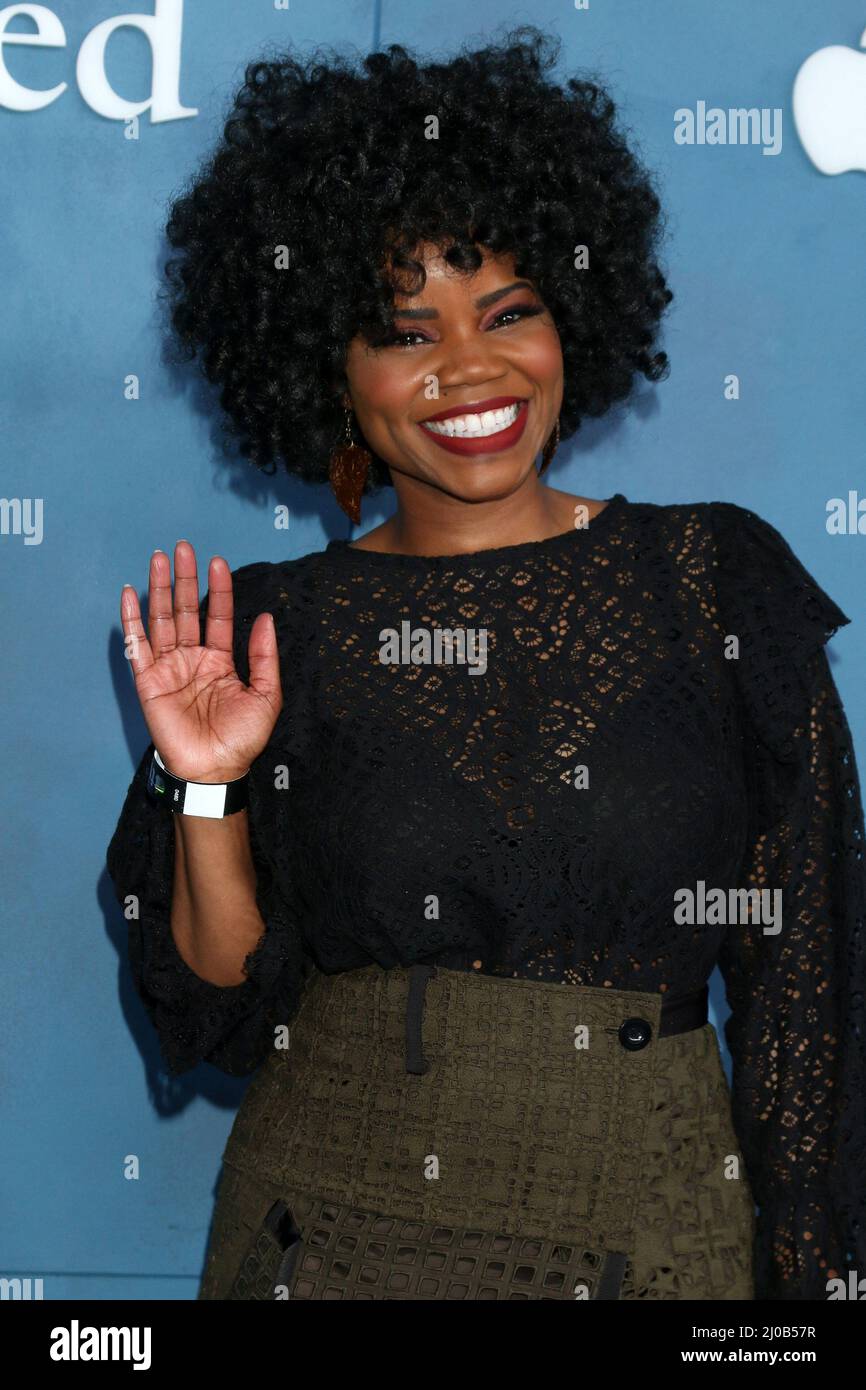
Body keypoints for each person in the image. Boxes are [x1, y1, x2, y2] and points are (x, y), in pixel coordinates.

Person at [105, 27, 865, 1301]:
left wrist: (807, 1291)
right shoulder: (263, 632)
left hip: (654, 1238)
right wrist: (207, 787)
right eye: (406, 332)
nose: (468, 367)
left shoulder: (712, 579)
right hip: (327, 1236)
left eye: (507, 310)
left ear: (575, 318)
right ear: (326, 376)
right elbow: (223, 1010)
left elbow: (810, 1003)